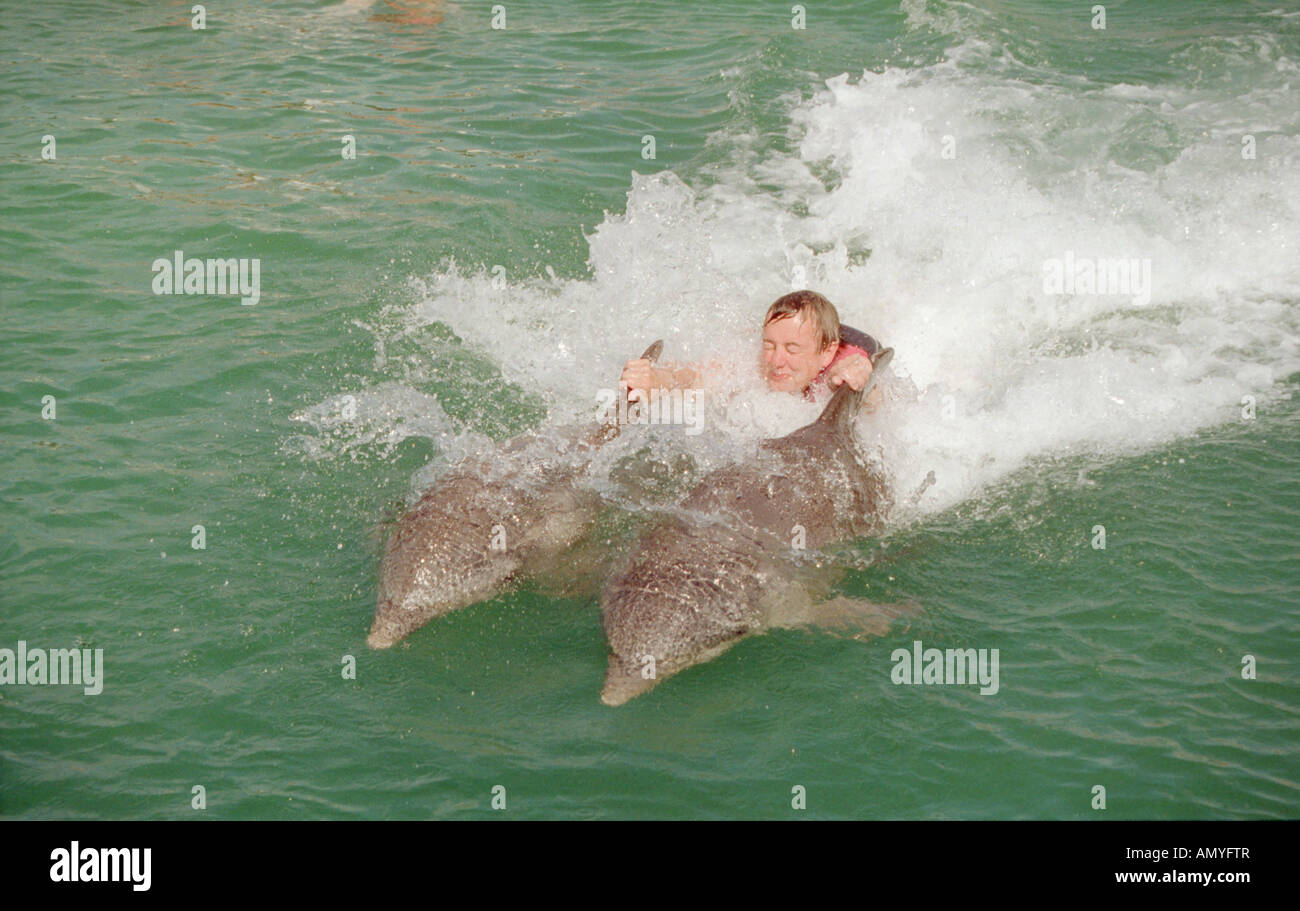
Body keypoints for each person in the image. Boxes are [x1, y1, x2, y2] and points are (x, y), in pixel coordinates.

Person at [619, 290, 882, 404]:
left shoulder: (839, 365)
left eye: (792, 349)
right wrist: (657, 379)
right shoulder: (754, 362)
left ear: (825, 352)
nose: (776, 361)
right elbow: (694, 376)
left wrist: (860, 378)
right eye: (770, 345)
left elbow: (868, 389)